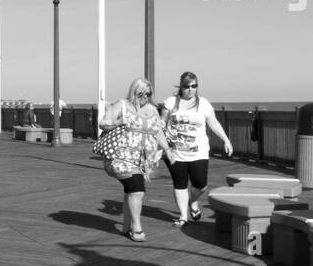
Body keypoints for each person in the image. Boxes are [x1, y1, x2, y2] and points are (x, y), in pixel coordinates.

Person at [98, 78, 174, 241]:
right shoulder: (122, 105)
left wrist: (168, 150)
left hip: (141, 160)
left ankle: (126, 228)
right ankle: (136, 228)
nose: (144, 96)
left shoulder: (153, 109)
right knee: (137, 189)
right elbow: (103, 123)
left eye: (148, 93)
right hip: (120, 158)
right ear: (133, 91)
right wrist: (118, 122)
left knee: (131, 190)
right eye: (141, 93)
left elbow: (157, 131)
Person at [160, 70, 232, 226]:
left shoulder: (203, 103)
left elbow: (213, 123)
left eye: (194, 86)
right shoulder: (170, 102)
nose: (190, 89)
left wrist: (226, 140)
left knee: (200, 183)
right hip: (175, 151)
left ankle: (193, 202)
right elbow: (161, 123)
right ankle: (183, 216)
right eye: (187, 86)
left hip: (198, 151)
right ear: (181, 87)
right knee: (180, 183)